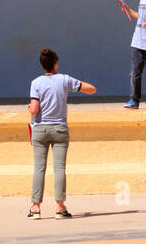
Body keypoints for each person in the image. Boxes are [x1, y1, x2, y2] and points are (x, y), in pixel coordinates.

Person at [28, 47, 96, 219]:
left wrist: (30, 107)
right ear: (56, 63)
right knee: (59, 168)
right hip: (60, 130)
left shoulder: (36, 83)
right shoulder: (64, 80)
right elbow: (91, 89)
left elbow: (34, 109)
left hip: (40, 130)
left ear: (42, 65)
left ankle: (35, 207)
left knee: (39, 168)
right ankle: (60, 207)